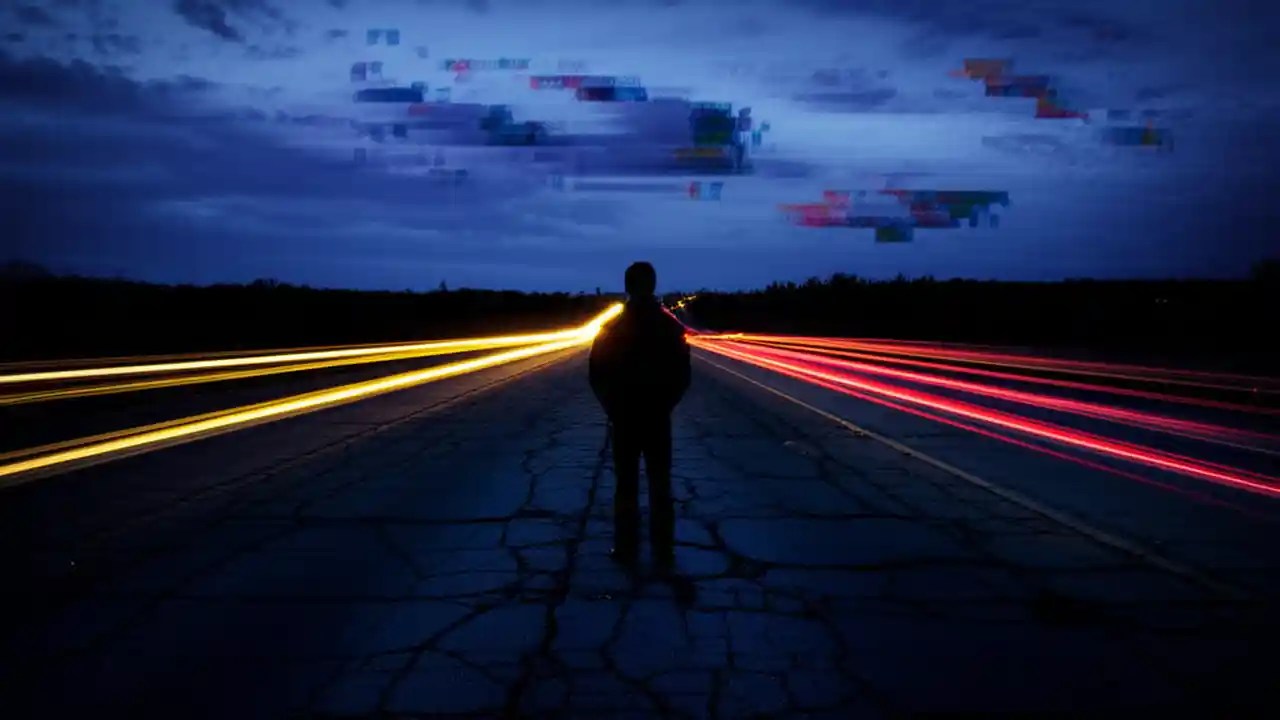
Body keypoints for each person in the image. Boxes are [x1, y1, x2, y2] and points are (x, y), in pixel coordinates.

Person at [589, 261, 691, 573]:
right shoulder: (670, 327)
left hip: (625, 418)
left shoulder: (611, 327)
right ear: (653, 285)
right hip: (657, 417)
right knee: (660, 485)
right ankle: (663, 551)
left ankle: (625, 548)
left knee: (626, 485)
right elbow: (682, 375)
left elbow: (596, 373)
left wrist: (612, 407)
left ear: (627, 286)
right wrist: (665, 405)